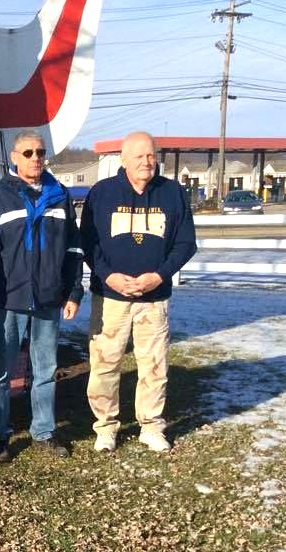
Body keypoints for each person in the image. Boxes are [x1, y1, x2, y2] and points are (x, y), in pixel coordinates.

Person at [80, 131, 197, 453]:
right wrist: (109, 276)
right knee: (105, 365)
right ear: (123, 160)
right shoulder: (102, 193)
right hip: (110, 297)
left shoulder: (171, 193)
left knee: (154, 366)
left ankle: (151, 426)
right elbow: (88, 243)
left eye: (150, 155)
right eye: (139, 156)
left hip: (153, 299)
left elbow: (186, 243)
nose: (146, 162)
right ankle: (105, 428)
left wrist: (158, 276)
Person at [0, 130, 84, 462]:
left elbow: (74, 248)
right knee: (3, 371)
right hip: (7, 299)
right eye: (28, 153)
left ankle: (44, 430)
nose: (35, 158)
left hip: (48, 298)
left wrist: (73, 291)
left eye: (40, 152)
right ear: (14, 157)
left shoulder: (59, 194)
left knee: (46, 367)